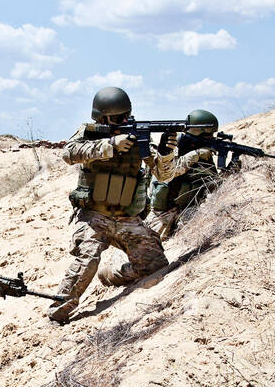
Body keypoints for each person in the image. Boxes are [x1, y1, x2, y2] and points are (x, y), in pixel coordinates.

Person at [47, 86, 175, 325]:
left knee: (156, 267)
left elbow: (164, 174)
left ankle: (114, 275)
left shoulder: (139, 137)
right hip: (95, 216)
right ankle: (57, 311)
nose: (124, 121)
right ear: (102, 118)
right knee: (86, 260)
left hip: (128, 218)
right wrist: (111, 145)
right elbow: (69, 153)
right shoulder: (89, 132)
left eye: (126, 116)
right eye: (117, 118)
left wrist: (167, 153)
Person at [146, 109, 221, 241]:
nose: (211, 138)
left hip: (187, 209)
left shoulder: (203, 153)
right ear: (198, 132)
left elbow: (212, 181)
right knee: (148, 249)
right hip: (162, 213)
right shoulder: (174, 146)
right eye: (208, 135)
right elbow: (171, 171)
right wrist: (197, 154)